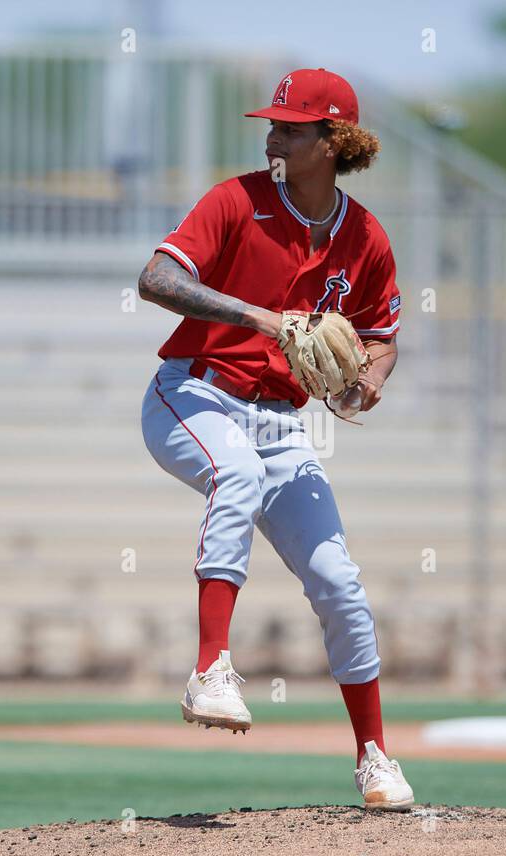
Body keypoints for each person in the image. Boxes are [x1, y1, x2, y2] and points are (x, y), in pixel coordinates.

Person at [137, 69, 413, 810]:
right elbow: (155, 279)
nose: (273, 136)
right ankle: (210, 669)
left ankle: (375, 758)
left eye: (292, 128)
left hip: (281, 422)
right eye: (273, 124)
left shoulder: (364, 239)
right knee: (237, 473)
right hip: (192, 391)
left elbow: (383, 339)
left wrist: (368, 380)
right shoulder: (238, 201)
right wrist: (261, 317)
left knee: (339, 583)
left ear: (335, 142)